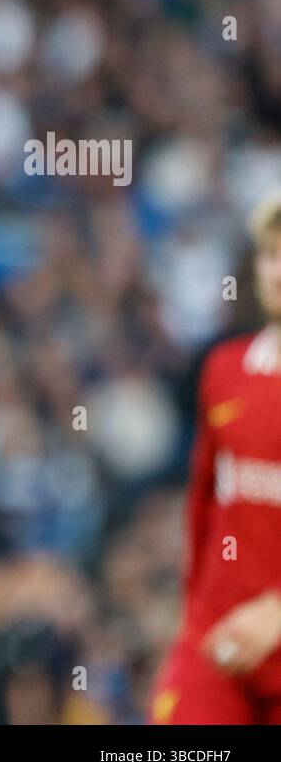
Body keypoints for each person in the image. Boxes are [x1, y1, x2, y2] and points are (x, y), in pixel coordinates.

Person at [149, 191, 281, 724]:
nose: (279, 269)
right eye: (271, 253)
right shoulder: (225, 369)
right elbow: (205, 503)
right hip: (218, 637)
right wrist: (194, 614)